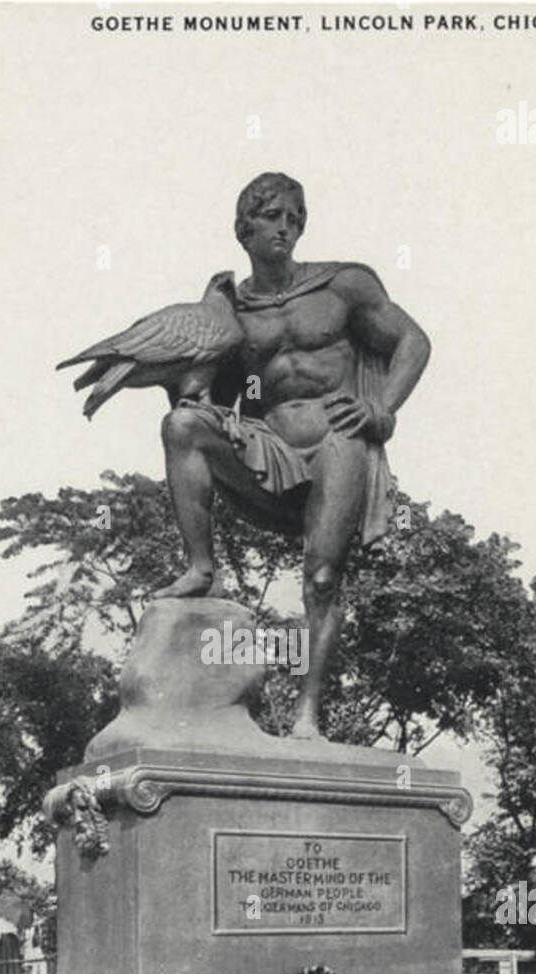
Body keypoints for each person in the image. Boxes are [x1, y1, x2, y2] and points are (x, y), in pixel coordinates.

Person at [155, 172, 431, 737]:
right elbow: (212, 387)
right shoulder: (231, 310)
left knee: (324, 577)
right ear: (243, 228)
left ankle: (307, 717)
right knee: (182, 426)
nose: (286, 226)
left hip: (337, 438)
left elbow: (413, 341)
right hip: (272, 446)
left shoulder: (342, 286)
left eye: (294, 218)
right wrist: (192, 392)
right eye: (272, 216)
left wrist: (382, 408)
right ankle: (200, 567)